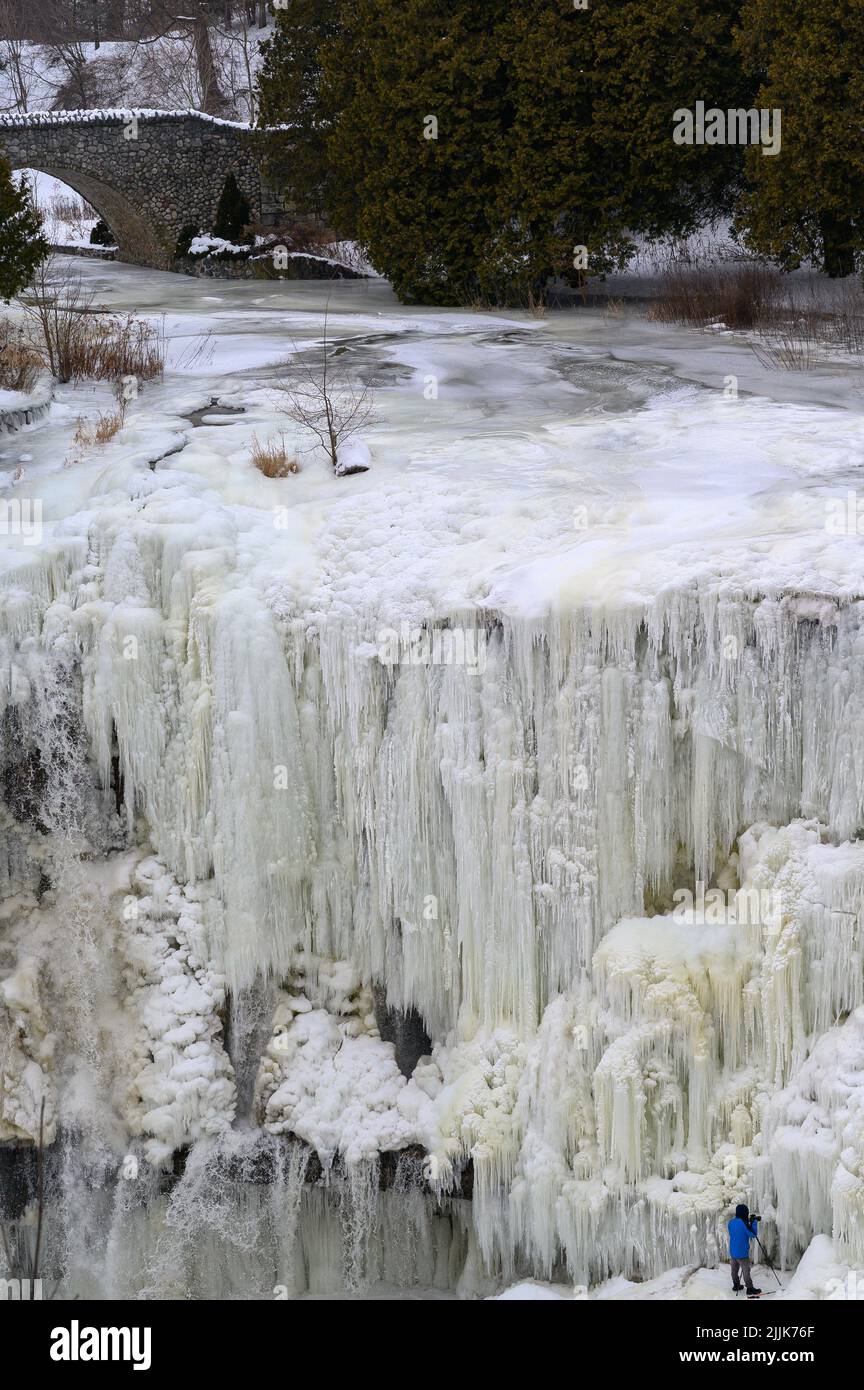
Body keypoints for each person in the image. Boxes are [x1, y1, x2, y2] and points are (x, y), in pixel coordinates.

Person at [728, 1204, 761, 1295]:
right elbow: (752, 1234)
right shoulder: (744, 1223)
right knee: (746, 1271)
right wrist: (753, 1223)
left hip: (733, 1252)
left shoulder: (731, 1222)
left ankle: (736, 1285)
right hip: (742, 1253)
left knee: (734, 1270)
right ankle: (750, 1288)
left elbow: (738, 1231)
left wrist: (747, 1223)